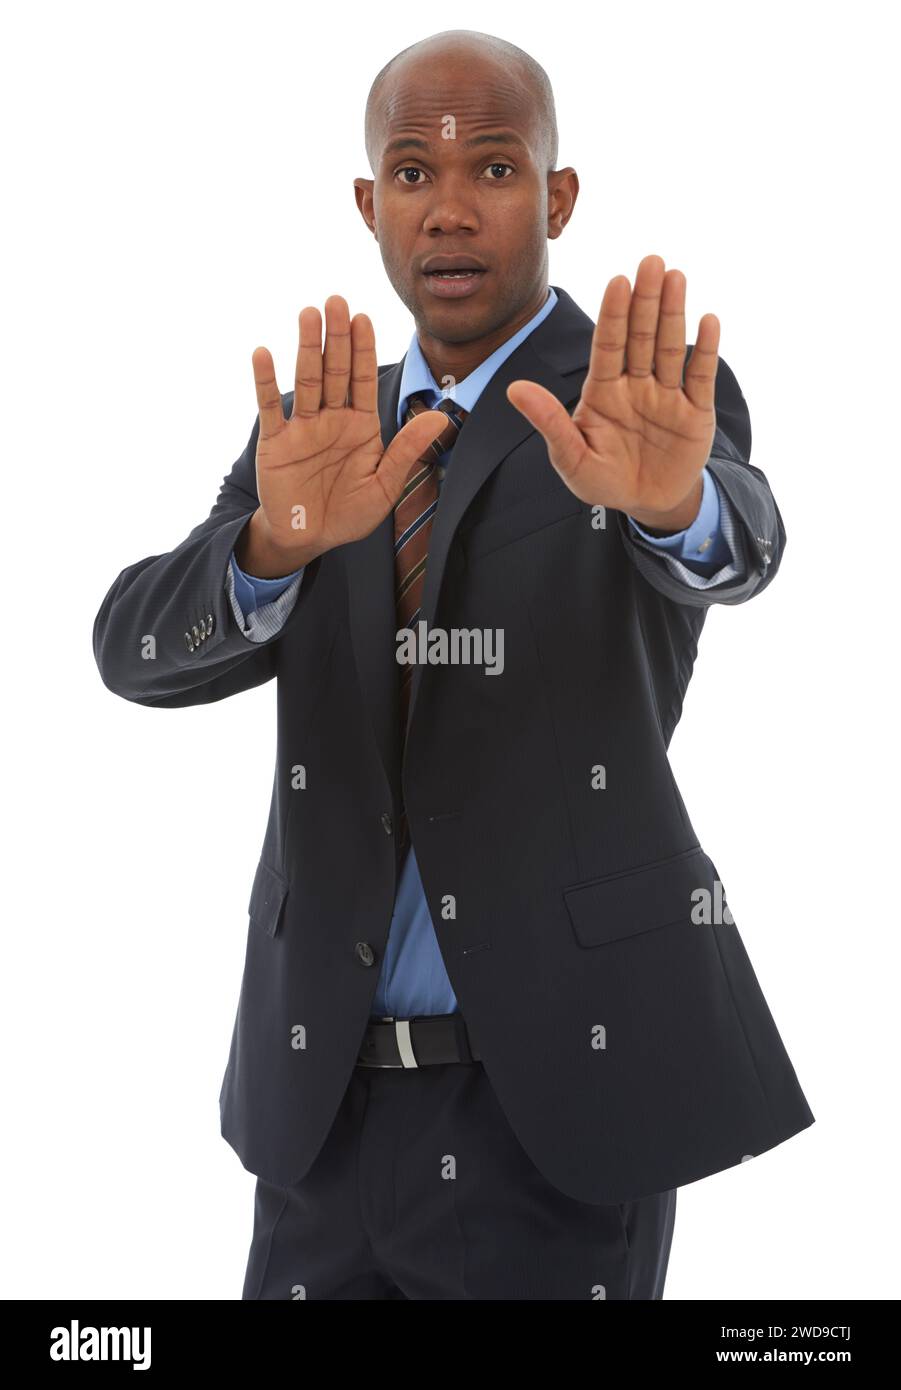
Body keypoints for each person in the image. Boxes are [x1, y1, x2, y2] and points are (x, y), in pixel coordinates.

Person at [93, 28, 814, 1300]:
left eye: (493, 167)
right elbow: (136, 650)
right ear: (371, 205)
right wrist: (269, 545)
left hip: (554, 1105)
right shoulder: (324, 427)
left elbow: (739, 541)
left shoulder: (632, 402)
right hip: (322, 1110)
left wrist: (675, 505)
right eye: (414, 176)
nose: (451, 210)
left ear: (556, 195)